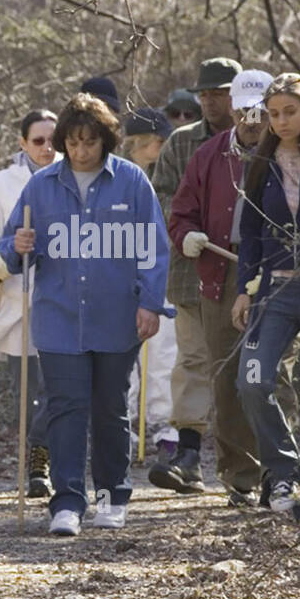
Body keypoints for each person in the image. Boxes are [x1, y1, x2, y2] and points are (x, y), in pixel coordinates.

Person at [0, 93, 169, 536]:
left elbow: (154, 247)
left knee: (110, 408)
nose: (80, 151)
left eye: (89, 142)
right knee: (65, 408)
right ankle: (67, 501)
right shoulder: (40, 186)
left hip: (118, 317)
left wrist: (151, 303)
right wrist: (17, 247)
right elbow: (10, 249)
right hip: (58, 319)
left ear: (105, 141)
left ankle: (112, 495)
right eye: (72, 143)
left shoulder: (131, 182)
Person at [170, 69, 292, 506]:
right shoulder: (207, 155)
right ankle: (241, 475)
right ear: (234, 111)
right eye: (245, 112)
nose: (254, 121)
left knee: (269, 376)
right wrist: (186, 235)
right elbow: (180, 210)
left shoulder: (287, 156)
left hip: (277, 277)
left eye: (262, 113)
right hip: (220, 277)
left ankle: (280, 473)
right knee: (227, 382)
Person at [149, 57, 242, 493]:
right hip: (192, 272)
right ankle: (187, 456)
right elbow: (161, 196)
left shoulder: (262, 138)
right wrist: (184, 229)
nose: (209, 100)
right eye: (204, 93)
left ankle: (253, 464)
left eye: (218, 92)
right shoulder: (182, 143)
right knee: (192, 361)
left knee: (247, 369)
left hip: (250, 273)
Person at [0, 108, 59, 497]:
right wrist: (4, 260)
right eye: (38, 141)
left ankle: (58, 456)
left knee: (63, 385)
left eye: (54, 139)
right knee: (30, 389)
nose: (47, 148)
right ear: (22, 143)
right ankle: (36, 459)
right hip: (20, 299)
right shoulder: (3, 183)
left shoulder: (73, 177)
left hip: (67, 297)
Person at [233, 73, 300, 512]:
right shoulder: (260, 165)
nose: (280, 121)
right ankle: (281, 475)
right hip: (273, 290)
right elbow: (251, 233)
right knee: (252, 379)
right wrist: (243, 290)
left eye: (290, 111)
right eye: (273, 113)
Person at [121, 107, 179, 460]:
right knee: (124, 353)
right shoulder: (117, 175)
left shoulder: (169, 175)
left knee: (164, 351)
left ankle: (163, 424)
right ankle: (124, 422)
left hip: (164, 272)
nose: (163, 146)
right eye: (159, 141)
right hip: (121, 275)